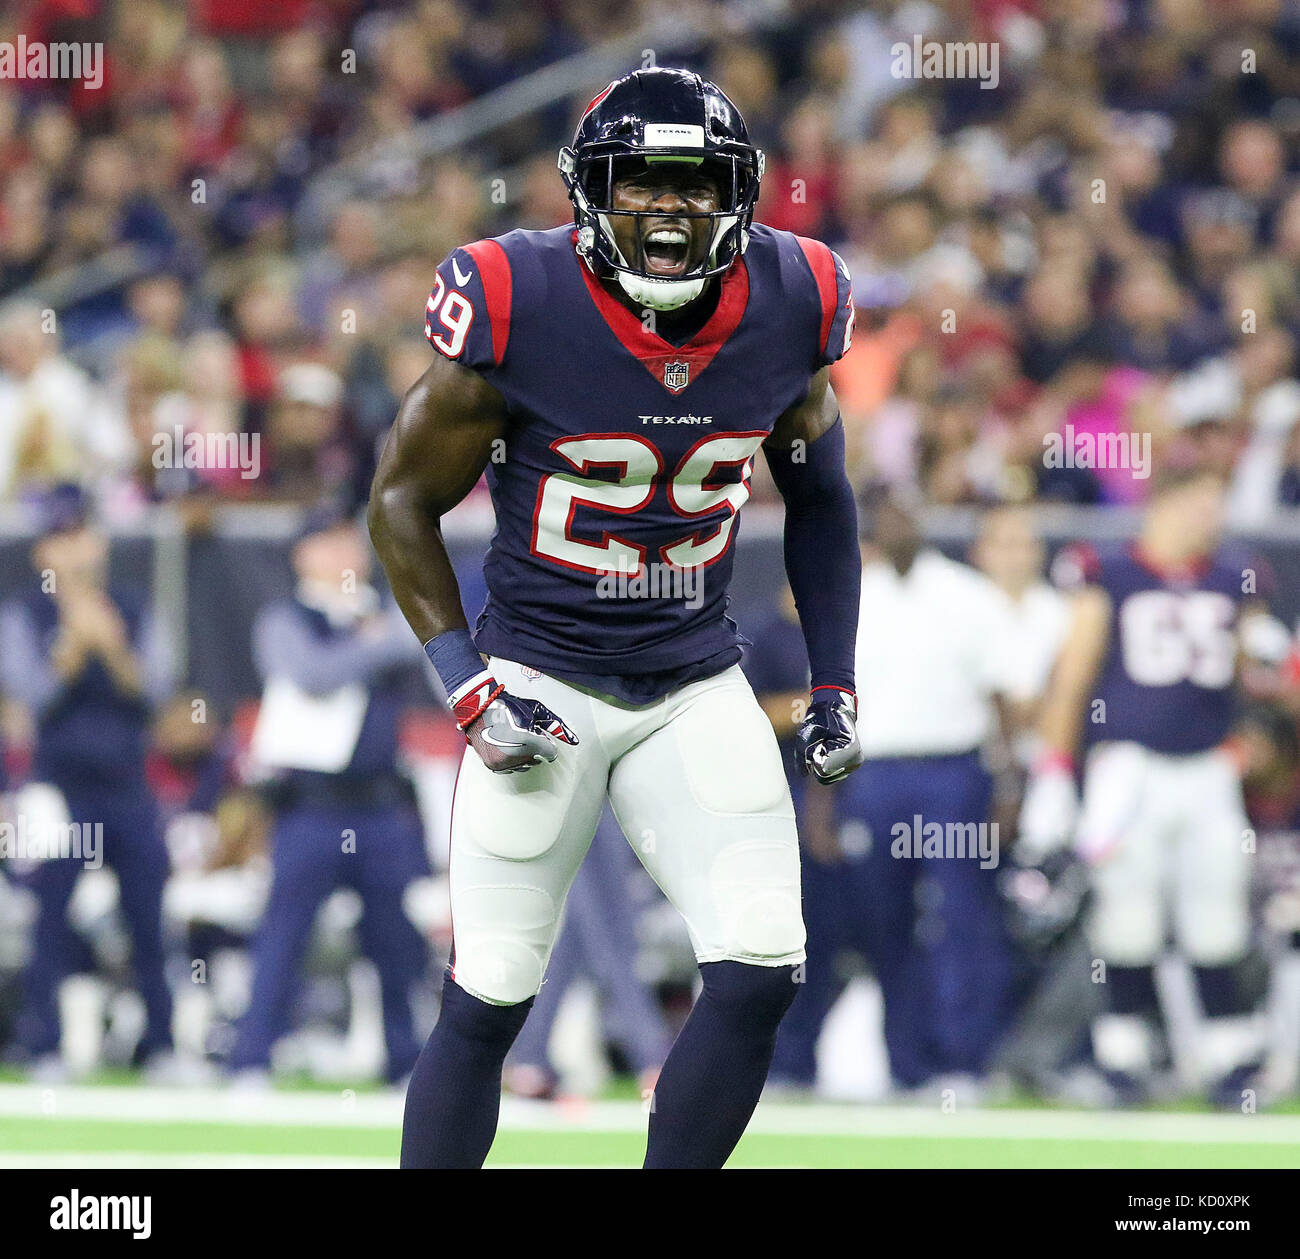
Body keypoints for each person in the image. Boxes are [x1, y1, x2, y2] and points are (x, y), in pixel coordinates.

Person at [368, 68, 863, 1169]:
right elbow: (398, 498)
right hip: (538, 679)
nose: (667, 206)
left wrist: (832, 679)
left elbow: (823, 493)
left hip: (693, 678)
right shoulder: (515, 295)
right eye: (638, 181)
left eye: (694, 184)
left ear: (739, 195)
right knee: (492, 988)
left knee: (761, 965)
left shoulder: (794, 298)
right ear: (588, 190)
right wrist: (466, 682)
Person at [1020, 464, 1279, 1105]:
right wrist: (1054, 773)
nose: (1210, 520)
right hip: (1127, 771)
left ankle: (1228, 1060)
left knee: (1218, 916)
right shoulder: (1107, 570)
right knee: (1126, 920)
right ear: (1163, 503)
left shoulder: (1233, 576)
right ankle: (1124, 1059)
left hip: (1209, 767)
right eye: (1200, 503)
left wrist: (1266, 701)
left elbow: (1254, 675)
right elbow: (1073, 676)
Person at [227, 505, 432, 1086]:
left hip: (379, 806)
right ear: (303, 555)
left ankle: (403, 1062)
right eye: (331, 544)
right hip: (310, 807)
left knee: (395, 941)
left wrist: (377, 637)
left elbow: (421, 643)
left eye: (352, 542)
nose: (347, 556)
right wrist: (371, 642)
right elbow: (311, 674)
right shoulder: (285, 618)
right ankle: (252, 1058)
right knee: (283, 936)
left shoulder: (382, 612)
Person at [833, 493, 1019, 1098]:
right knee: (884, 921)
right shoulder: (854, 593)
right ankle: (905, 1065)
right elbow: (833, 702)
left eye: (904, 514)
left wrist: (1010, 784)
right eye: (882, 517)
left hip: (953, 772)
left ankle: (963, 1061)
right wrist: (822, 799)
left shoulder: (967, 595)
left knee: (962, 914)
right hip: (876, 773)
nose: (895, 525)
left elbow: (1002, 696)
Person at [0, 484, 176, 1077]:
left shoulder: (130, 606)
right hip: (59, 785)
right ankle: (43, 1042)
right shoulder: (25, 612)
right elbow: (31, 697)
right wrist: (74, 647)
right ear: (42, 552)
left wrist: (114, 650)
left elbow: (157, 692)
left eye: (79, 534)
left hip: (126, 782)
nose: (72, 549)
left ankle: (161, 1044)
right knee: (50, 915)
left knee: (148, 915)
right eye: (59, 537)